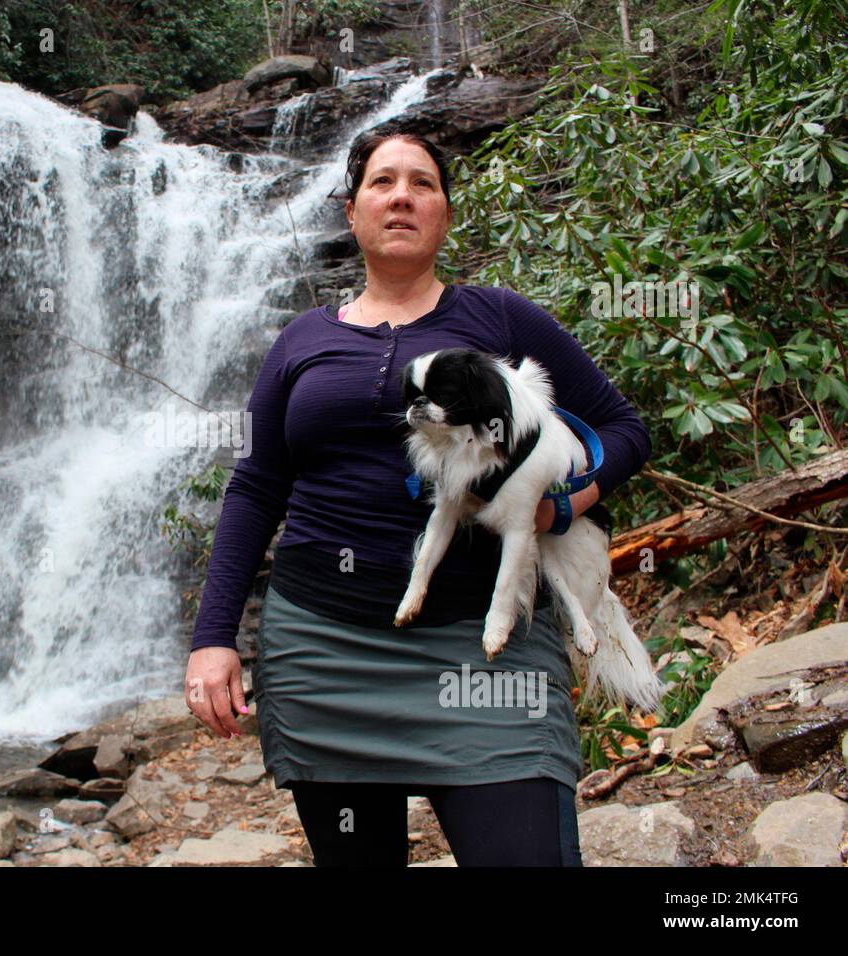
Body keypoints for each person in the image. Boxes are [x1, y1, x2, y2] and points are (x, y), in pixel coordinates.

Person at [183, 122, 652, 866]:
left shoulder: (501, 318)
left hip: (487, 650)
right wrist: (213, 638)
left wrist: (558, 507)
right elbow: (256, 485)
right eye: (382, 181)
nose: (402, 196)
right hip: (323, 650)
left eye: (422, 183)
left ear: (445, 213)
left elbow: (625, 428)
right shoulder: (301, 341)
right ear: (352, 209)